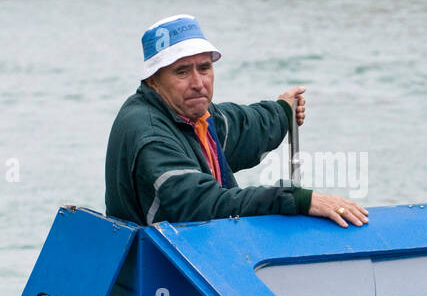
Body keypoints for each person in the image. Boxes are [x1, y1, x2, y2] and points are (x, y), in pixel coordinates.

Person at [104, 14, 368, 227]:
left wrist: (282, 111)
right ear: (153, 80)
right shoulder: (150, 134)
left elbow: (244, 126)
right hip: (154, 271)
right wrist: (296, 199)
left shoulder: (193, 117)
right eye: (182, 72)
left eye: (204, 68)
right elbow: (203, 205)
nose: (198, 83)